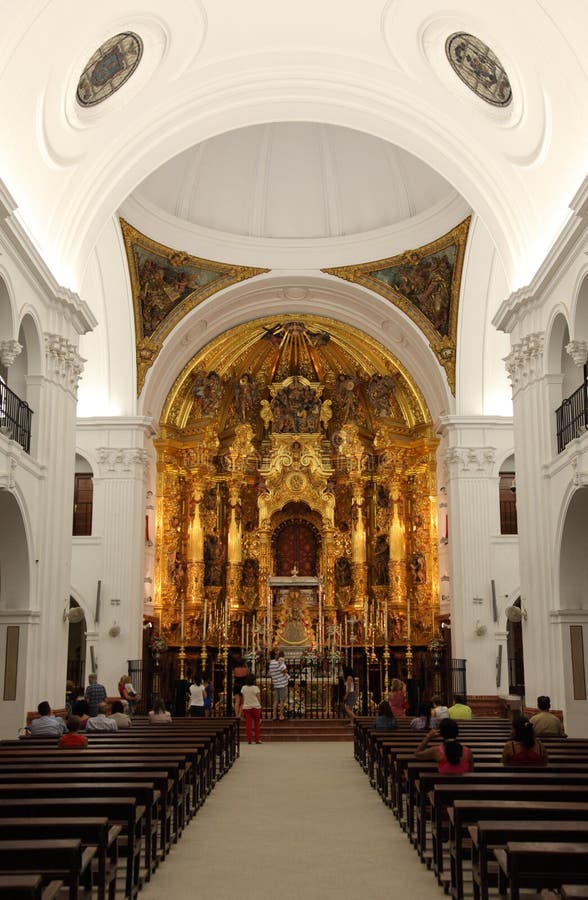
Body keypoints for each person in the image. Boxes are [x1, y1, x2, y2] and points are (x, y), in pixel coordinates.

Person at [241, 672, 262, 744]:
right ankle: (257, 739)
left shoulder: (243, 688)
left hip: (247, 707)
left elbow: (243, 698)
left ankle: (249, 740)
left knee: (248, 724)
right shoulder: (256, 688)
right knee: (257, 724)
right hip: (256, 707)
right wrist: (260, 706)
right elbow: (258, 698)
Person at [269, 649, 289, 720]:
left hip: (276, 683)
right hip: (282, 684)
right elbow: (285, 670)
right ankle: (281, 715)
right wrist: (282, 663)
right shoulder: (278, 663)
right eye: (277, 653)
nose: (278, 654)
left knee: (276, 700)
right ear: (275, 655)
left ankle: (274, 715)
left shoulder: (271, 663)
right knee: (282, 700)